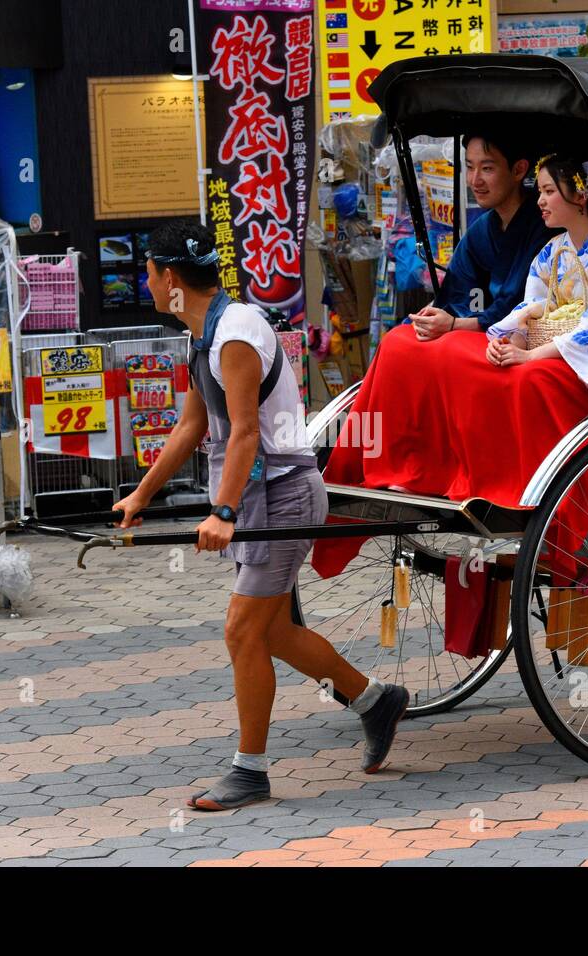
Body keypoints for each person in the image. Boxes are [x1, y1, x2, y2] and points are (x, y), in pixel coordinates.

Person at [112, 220, 411, 811]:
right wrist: (141, 495)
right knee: (272, 632)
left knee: (242, 630)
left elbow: (246, 433)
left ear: (170, 277)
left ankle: (250, 771)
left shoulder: (236, 337)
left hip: (285, 493)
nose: (145, 282)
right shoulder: (203, 335)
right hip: (258, 495)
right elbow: (193, 425)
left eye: (147, 272)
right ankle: (376, 701)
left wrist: (222, 511)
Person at [313, 155, 588, 585]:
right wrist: (507, 340)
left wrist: (531, 354)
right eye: (542, 191)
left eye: (548, 192)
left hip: (581, 369)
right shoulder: (555, 250)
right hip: (540, 349)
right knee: (412, 347)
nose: (541, 201)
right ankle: (415, 471)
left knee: (524, 379)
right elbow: (530, 310)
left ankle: (512, 493)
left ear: (579, 196)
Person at [407, 132, 556, 341]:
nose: (474, 180)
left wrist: (453, 324)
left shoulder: (545, 226)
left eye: (487, 168)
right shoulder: (482, 229)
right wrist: (432, 315)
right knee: (401, 340)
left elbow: (516, 301)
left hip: (521, 339)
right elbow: (457, 289)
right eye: (469, 167)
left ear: (518, 170)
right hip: (478, 328)